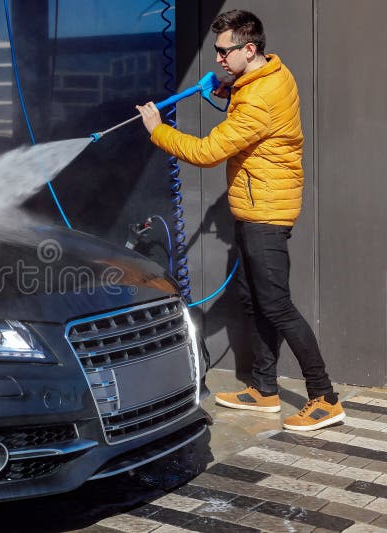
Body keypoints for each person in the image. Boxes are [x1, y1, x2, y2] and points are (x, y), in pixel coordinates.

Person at [135, 9, 345, 431]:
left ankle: (324, 398)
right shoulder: (268, 76)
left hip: (266, 213)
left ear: (249, 50)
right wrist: (228, 86)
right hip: (256, 208)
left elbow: (208, 152)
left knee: (279, 306)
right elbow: (241, 110)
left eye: (222, 51)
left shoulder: (260, 97)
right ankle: (265, 390)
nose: (216, 59)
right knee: (256, 301)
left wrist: (158, 130)